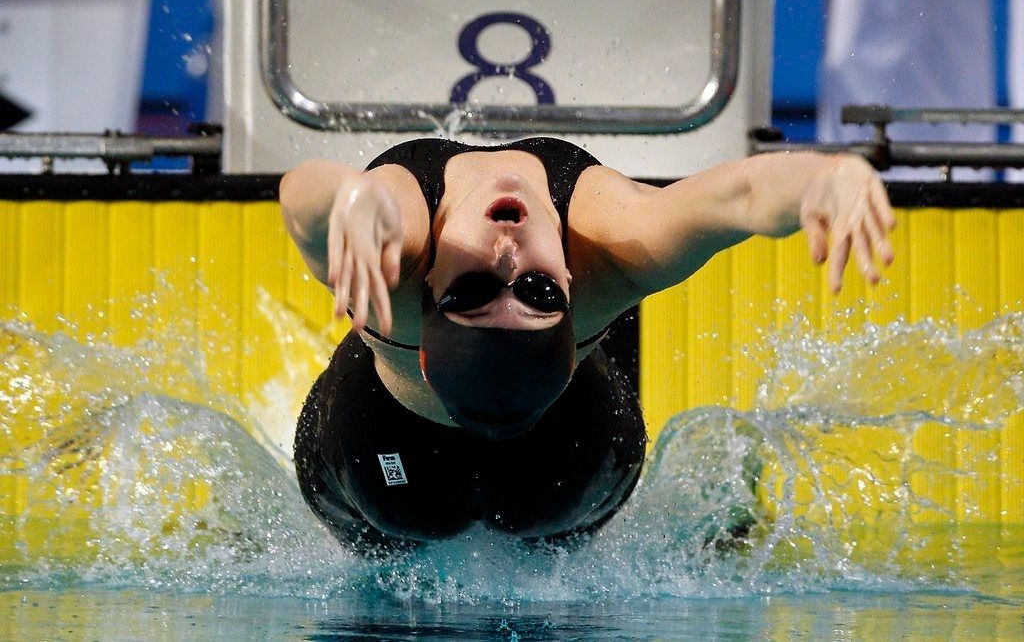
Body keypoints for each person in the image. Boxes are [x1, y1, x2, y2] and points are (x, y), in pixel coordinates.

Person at [278, 137, 895, 552]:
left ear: (430, 286)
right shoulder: (619, 253)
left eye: (474, 291)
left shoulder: (395, 261)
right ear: (573, 294)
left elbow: (301, 202)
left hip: (554, 467)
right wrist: (824, 178)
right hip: (399, 460)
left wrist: (347, 199)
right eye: (538, 292)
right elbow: (744, 198)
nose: (506, 251)